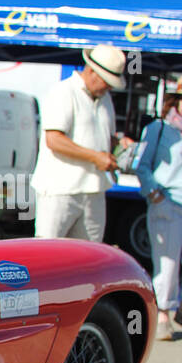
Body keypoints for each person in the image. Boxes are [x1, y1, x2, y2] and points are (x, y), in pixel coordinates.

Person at [32, 45, 131, 242]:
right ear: (91, 71)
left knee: (88, 259)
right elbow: (54, 140)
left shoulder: (105, 99)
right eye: (107, 81)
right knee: (47, 254)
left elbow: (104, 138)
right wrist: (95, 157)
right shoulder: (63, 92)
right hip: (60, 189)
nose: (109, 87)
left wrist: (121, 144)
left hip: (94, 189)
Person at [133, 76, 182, 341]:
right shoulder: (160, 128)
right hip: (169, 204)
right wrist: (154, 194)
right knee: (168, 261)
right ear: (176, 101)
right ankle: (162, 313)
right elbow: (141, 164)